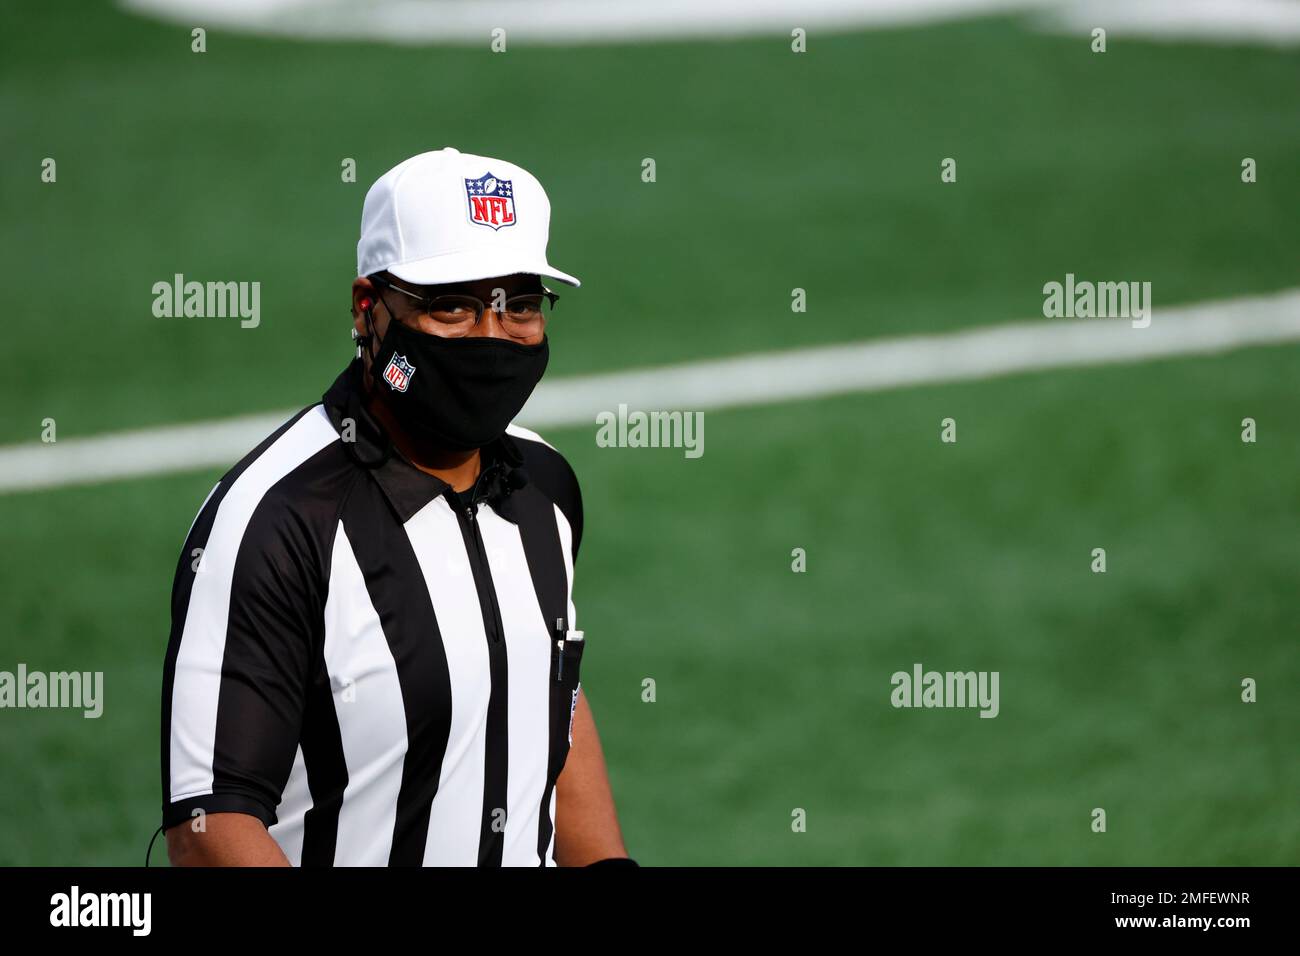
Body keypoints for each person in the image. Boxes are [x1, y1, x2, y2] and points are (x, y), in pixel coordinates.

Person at [160, 148, 631, 866]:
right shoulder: (279, 520)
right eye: (452, 306)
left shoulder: (542, 484)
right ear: (368, 309)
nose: (492, 337)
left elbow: (549, 693)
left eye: (522, 306)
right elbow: (210, 828)